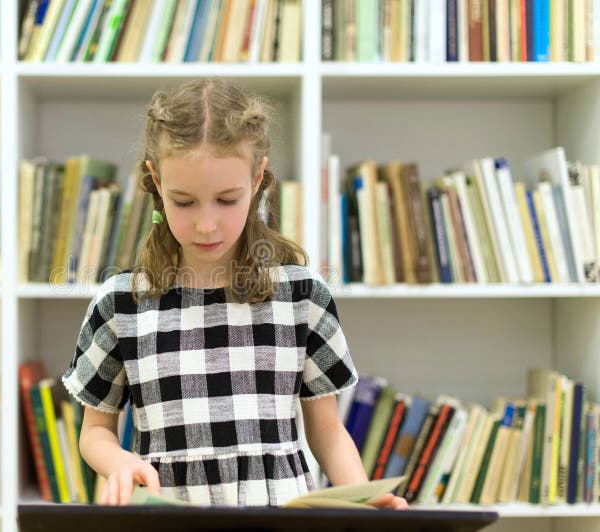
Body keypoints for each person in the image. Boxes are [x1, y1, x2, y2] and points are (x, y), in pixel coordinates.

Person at [62, 78, 407, 510]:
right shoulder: (120, 305)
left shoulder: (302, 298)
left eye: (227, 199)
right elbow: (95, 431)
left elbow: (327, 430)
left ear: (257, 176)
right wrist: (118, 462)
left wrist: (362, 504)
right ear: (155, 180)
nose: (207, 225)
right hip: (172, 515)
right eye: (184, 202)